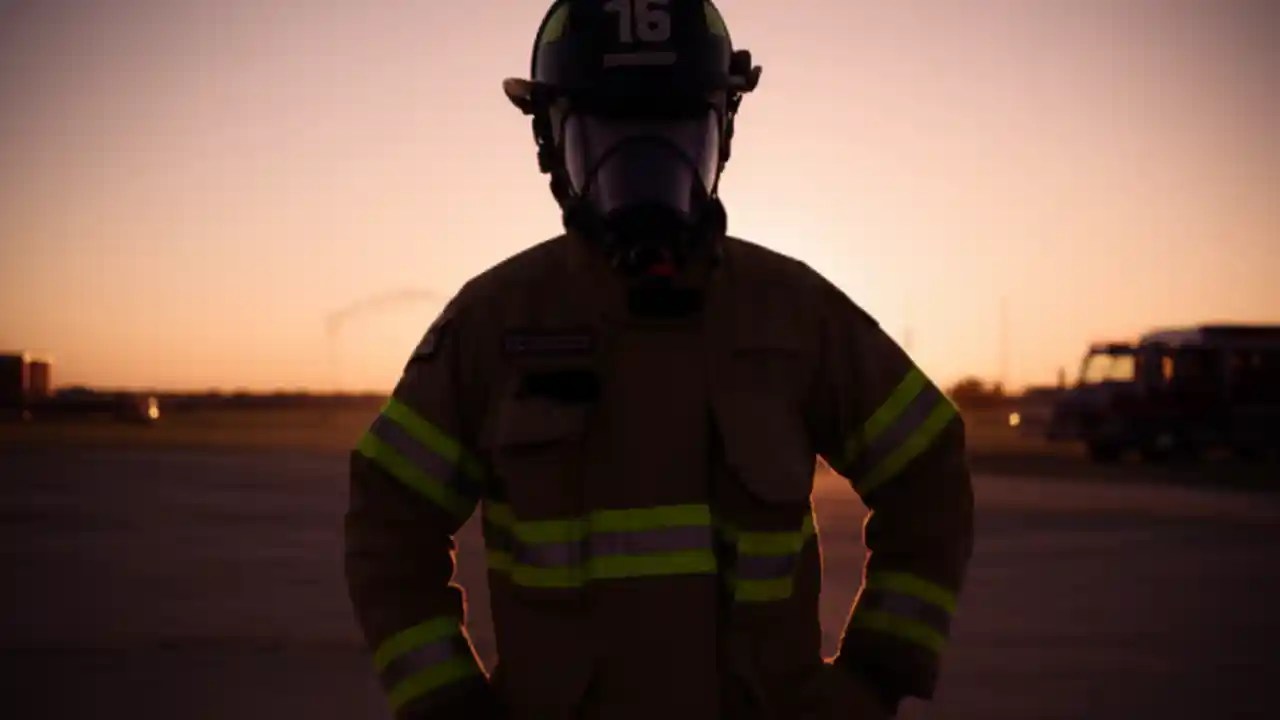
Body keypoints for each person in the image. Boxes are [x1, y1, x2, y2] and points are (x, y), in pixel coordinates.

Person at [343, 1, 974, 718]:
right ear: (552, 145)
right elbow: (388, 522)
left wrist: (874, 674)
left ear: (723, 133)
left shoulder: (794, 314)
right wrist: (445, 703)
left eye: (675, 126)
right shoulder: (495, 325)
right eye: (607, 129)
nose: (643, 166)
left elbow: (927, 468)